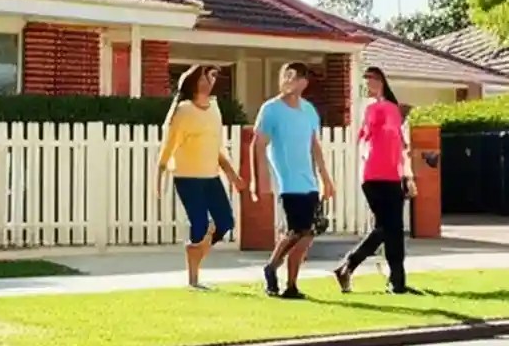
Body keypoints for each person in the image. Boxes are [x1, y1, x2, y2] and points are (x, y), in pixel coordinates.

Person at [157, 64, 245, 289]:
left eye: (212, 77)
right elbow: (169, 145)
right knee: (199, 224)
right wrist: (159, 176)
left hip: (210, 176)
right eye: (204, 78)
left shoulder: (214, 108)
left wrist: (232, 175)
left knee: (225, 222)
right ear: (193, 82)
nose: (209, 82)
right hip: (187, 176)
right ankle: (193, 279)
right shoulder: (184, 111)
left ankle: (195, 252)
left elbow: (217, 147)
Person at [253, 62, 336, 299]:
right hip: (288, 183)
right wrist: (259, 180)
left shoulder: (309, 110)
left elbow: (315, 146)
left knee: (307, 235)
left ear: (304, 82)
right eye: (286, 76)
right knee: (297, 230)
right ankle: (271, 267)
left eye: (295, 77)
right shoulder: (271, 109)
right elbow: (258, 145)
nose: (289, 81)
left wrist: (326, 178)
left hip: (309, 182)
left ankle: (291, 285)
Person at [333, 66, 417, 294]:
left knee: (391, 229)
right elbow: (369, 137)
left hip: (387, 176)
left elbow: (401, 149)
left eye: (370, 80)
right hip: (376, 176)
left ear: (380, 81)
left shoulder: (389, 110)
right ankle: (352, 265)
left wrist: (408, 176)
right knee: (389, 227)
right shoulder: (375, 110)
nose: (367, 85)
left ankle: (396, 281)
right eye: (365, 81)